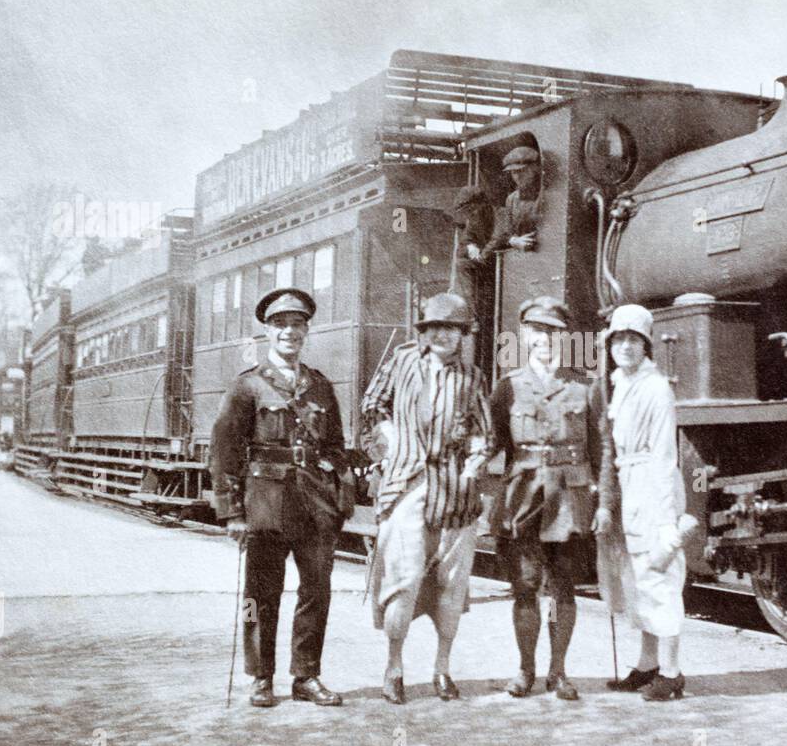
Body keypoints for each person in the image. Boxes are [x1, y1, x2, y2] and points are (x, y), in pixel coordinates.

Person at [210, 287, 351, 709]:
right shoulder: (247, 387)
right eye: (280, 325)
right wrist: (233, 513)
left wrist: (338, 497)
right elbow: (224, 452)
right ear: (267, 333)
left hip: (314, 509)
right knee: (260, 594)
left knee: (316, 592)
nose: (289, 332)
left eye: (297, 325)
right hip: (266, 507)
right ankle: (260, 677)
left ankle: (306, 676)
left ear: (307, 331)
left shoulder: (321, 387)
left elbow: (337, 446)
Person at [361, 292, 493, 704]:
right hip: (407, 484)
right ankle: (394, 666)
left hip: (455, 491)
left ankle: (442, 669)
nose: (441, 335)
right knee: (403, 580)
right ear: (424, 332)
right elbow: (372, 404)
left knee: (451, 585)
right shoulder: (402, 362)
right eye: (434, 327)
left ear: (462, 335)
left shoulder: (472, 378)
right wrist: (390, 438)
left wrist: (475, 460)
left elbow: (484, 432)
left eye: (450, 329)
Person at [490, 296, 603, 700]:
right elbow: (491, 444)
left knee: (564, 587)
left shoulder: (584, 386)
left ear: (564, 337)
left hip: (568, 500)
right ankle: (525, 670)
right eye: (537, 331)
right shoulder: (508, 386)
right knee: (524, 585)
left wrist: (601, 498)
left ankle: (558, 672)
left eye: (553, 332)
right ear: (524, 335)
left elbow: (599, 448)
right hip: (524, 496)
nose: (545, 339)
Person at [596, 304, 688, 701]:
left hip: (652, 486)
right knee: (636, 579)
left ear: (647, 346)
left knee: (659, 576)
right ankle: (648, 664)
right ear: (611, 345)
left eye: (635, 340)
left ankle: (671, 672)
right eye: (620, 339)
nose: (627, 346)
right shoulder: (623, 385)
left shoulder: (655, 388)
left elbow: (665, 458)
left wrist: (667, 520)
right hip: (630, 486)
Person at [473, 146, 542, 261]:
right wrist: (513, 241)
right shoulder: (512, 199)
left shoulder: (545, 195)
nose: (517, 177)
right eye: (513, 172)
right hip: (520, 258)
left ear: (535, 169)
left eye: (521, 171)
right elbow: (505, 232)